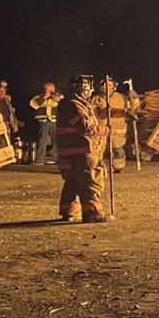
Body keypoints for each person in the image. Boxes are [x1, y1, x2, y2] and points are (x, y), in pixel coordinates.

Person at [55, 75, 109, 223]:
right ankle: (92, 212)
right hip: (80, 149)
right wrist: (101, 129)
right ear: (83, 90)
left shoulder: (71, 103)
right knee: (89, 181)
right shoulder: (73, 104)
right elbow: (84, 126)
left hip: (71, 149)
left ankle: (69, 209)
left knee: (73, 181)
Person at [95, 76, 138, 171]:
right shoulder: (96, 98)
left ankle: (119, 167)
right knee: (99, 150)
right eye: (105, 85)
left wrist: (133, 96)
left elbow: (134, 106)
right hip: (102, 129)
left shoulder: (121, 98)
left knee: (118, 150)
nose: (106, 87)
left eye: (109, 85)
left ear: (114, 87)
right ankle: (98, 168)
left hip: (118, 130)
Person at [28, 81, 60, 165]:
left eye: (52, 91)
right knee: (42, 141)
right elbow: (33, 105)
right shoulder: (38, 97)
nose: (50, 92)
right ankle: (40, 159)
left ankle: (56, 159)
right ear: (44, 90)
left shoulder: (58, 98)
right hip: (43, 122)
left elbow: (63, 104)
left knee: (56, 141)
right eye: (48, 90)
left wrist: (57, 99)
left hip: (55, 122)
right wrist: (44, 97)